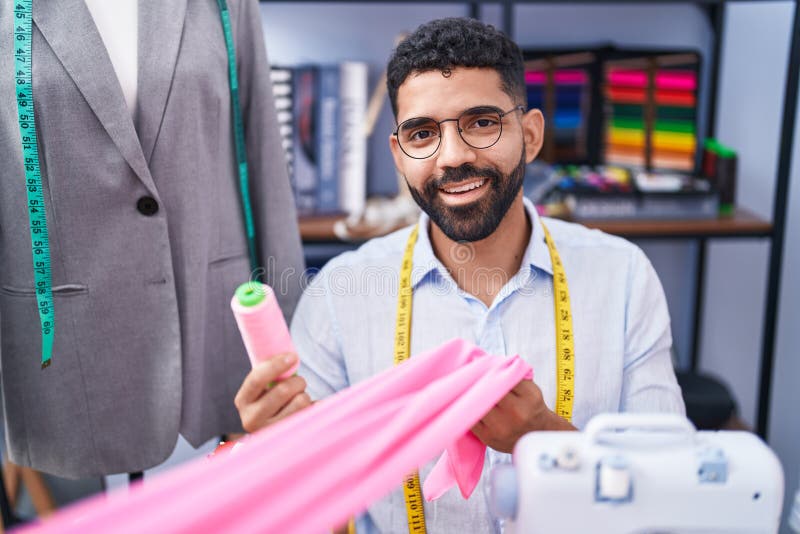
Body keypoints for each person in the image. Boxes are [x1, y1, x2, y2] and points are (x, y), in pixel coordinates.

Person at [235, 17, 684, 533]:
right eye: (422, 133)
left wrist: (543, 438)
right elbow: (319, 511)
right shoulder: (339, 296)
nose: (453, 157)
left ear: (531, 134)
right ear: (399, 155)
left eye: (481, 122)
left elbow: (669, 495)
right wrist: (286, 465)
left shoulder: (623, 278)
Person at [0, 0, 304, 479]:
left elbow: (261, 149)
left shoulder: (226, 6)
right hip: (64, 348)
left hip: (211, 327)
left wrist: (290, 338)